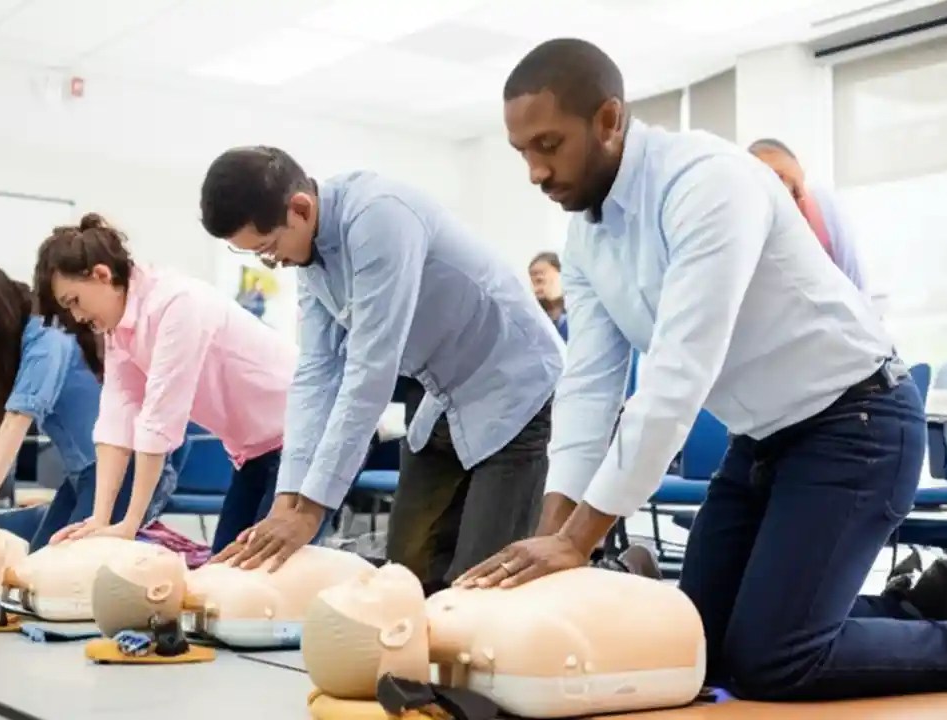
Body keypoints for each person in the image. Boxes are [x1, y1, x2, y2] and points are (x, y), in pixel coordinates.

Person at [458, 38, 947, 701]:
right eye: (523, 153)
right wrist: (549, 539)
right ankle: (921, 604)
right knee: (694, 644)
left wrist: (578, 541)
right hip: (763, 443)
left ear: (609, 121)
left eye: (548, 145)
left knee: (774, 662)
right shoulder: (589, 238)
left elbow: (678, 377)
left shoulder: (708, 183)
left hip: (857, 426)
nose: (535, 171)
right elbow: (591, 388)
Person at [198, 146, 564, 592]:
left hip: (513, 386)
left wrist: (310, 513)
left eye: (270, 249)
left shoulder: (379, 218)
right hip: (443, 395)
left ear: (300, 207)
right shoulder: (311, 256)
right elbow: (316, 374)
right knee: (404, 576)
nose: (275, 261)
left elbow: (370, 371)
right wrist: (286, 499)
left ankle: (604, 578)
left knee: (480, 584)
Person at [32, 213, 296, 551]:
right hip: (255, 451)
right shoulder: (119, 328)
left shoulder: (176, 303)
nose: (78, 317)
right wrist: (101, 519)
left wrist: (129, 524)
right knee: (222, 569)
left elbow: (159, 419)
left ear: (101, 274)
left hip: (301, 436)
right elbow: (117, 417)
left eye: (74, 302)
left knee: (262, 575)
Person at [0, 258, 179, 551]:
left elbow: (15, 422)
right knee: (36, 562)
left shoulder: (46, 335)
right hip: (84, 473)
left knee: (63, 568)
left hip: (122, 470)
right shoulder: (10, 344)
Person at [748, 138, 866, 292]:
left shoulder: (824, 207)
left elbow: (855, 281)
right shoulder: (749, 229)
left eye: (794, 190)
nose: (793, 201)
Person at [529, 251, 568, 340]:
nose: (536, 290)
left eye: (540, 281)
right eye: (533, 283)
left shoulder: (581, 321)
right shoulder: (533, 326)